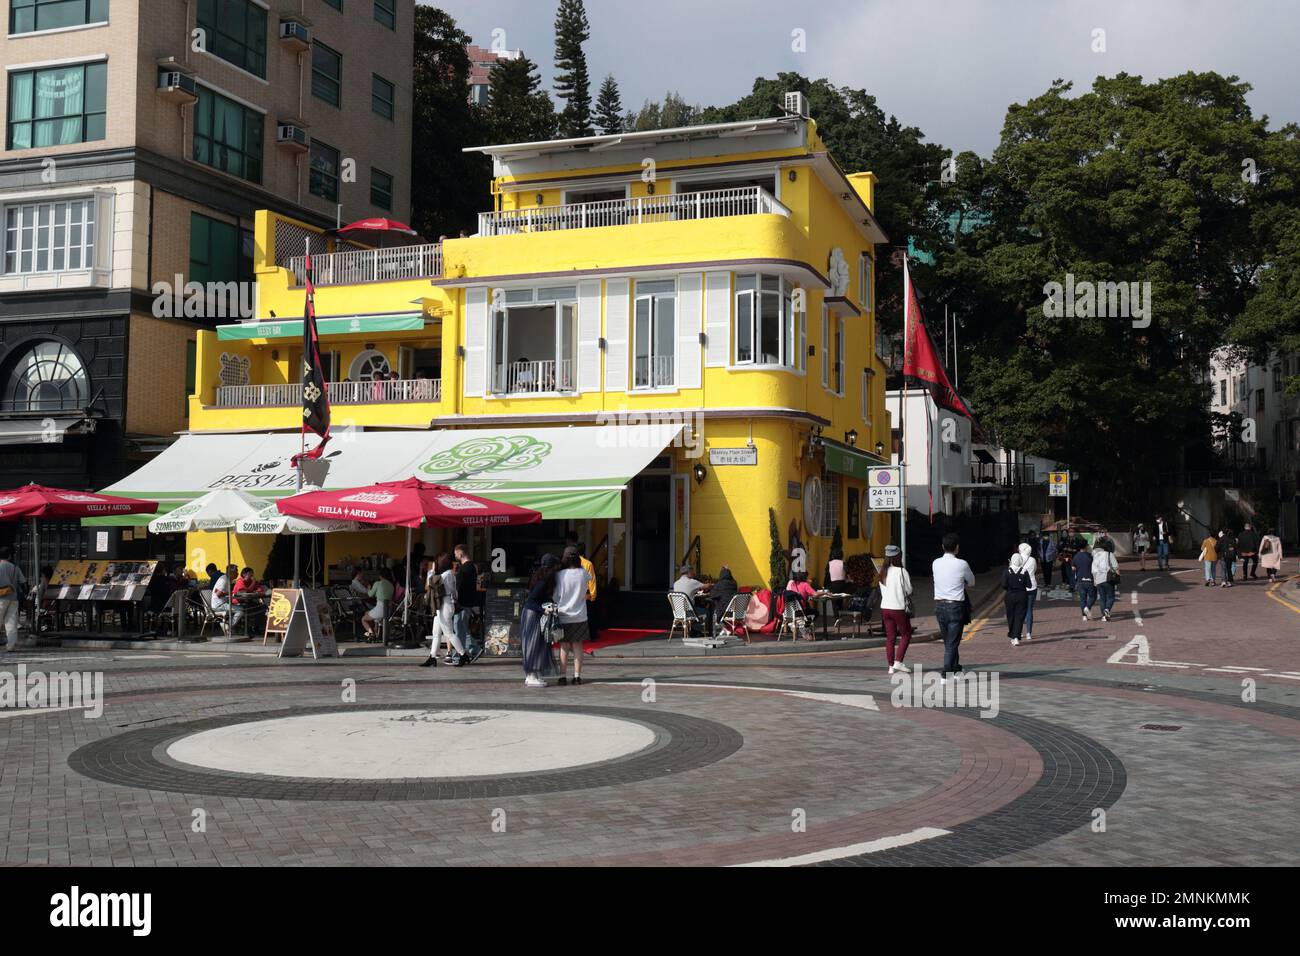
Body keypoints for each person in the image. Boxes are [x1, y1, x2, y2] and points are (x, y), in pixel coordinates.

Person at [932, 533, 975, 683]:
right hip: (956, 606)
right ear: (957, 548)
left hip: (939, 606)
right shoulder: (962, 564)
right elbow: (972, 582)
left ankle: (956, 668)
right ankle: (946, 674)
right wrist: (962, 584)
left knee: (949, 641)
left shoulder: (935, 563)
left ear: (942, 547)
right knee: (952, 642)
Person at [553, 547, 592, 685]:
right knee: (577, 646)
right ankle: (577, 677)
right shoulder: (584, 573)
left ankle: (562, 676)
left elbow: (556, 596)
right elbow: (589, 580)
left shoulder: (559, 575)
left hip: (563, 615)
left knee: (563, 647)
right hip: (580, 615)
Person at [520, 554, 560, 687]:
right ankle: (531, 675)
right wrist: (544, 610)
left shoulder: (539, 577)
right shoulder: (544, 580)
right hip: (533, 614)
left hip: (532, 613)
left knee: (536, 644)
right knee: (533, 644)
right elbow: (531, 600)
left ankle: (533, 675)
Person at [422, 553, 466, 666]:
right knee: (436, 632)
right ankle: (432, 657)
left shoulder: (446, 575)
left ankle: (463, 654)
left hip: (444, 605)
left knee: (449, 633)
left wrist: (431, 571)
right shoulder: (450, 574)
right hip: (443, 604)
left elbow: (431, 582)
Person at [877, 545, 913, 673]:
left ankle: (890, 666)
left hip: (885, 608)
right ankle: (898, 661)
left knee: (890, 637)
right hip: (898, 607)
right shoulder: (901, 572)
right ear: (898, 557)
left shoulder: (882, 571)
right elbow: (909, 590)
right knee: (906, 634)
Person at [452, 544, 485, 663]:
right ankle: (474, 649)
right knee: (462, 629)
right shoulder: (472, 567)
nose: (455, 556)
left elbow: (459, 588)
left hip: (462, 603)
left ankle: (459, 656)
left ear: (461, 554)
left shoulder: (464, 568)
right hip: (467, 603)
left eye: (456, 554)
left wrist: (455, 600)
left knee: (459, 630)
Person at [0, 546, 27, 654]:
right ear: (10, 556)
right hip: (13, 598)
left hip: (1, 598)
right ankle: (11, 646)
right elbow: (23, 583)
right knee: (11, 622)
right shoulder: (15, 567)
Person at [1002, 552, 1031, 646]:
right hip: (1022, 596)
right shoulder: (1024, 571)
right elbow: (1029, 585)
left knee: (1011, 616)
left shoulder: (1007, 571)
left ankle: (1012, 635)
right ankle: (1016, 637)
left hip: (1010, 596)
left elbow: (1003, 585)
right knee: (1019, 617)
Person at [362, 567, 394, 639]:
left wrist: (369, 588)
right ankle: (376, 632)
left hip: (380, 608)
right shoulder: (391, 585)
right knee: (368, 613)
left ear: (380, 576)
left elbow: (370, 594)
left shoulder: (377, 583)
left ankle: (371, 633)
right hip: (388, 610)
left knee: (363, 619)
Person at [1092, 539, 1118, 622]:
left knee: (1102, 598)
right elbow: (1116, 567)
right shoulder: (1110, 554)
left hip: (1098, 579)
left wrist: (1095, 580)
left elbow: (1093, 569)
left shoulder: (1096, 555)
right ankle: (1107, 609)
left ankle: (1104, 616)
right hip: (1107, 578)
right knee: (1111, 597)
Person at [1018, 541, 1039, 640]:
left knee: (1020, 610)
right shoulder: (1032, 560)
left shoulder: (1017, 559)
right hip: (1032, 586)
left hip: (1020, 587)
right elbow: (1034, 570)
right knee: (1029, 610)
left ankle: (1019, 632)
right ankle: (1029, 633)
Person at [709, 565, 739, 629]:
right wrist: (727, 570)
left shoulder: (719, 584)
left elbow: (712, 595)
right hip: (735, 611)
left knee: (713, 605)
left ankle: (712, 629)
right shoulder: (734, 583)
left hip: (724, 611)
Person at [1073, 542, 1096, 621]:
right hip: (1089, 579)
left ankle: (1084, 616)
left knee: (1083, 598)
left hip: (1080, 580)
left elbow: (1073, 568)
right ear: (1086, 547)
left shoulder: (1076, 556)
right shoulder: (1089, 556)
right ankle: (1087, 608)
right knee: (1093, 597)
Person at [211, 564, 237, 632]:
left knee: (240, 608)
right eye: (236, 571)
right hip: (219, 605)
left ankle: (227, 625)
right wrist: (230, 593)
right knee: (241, 610)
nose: (238, 573)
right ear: (231, 572)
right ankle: (228, 626)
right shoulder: (224, 580)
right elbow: (218, 594)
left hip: (222, 604)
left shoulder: (227, 579)